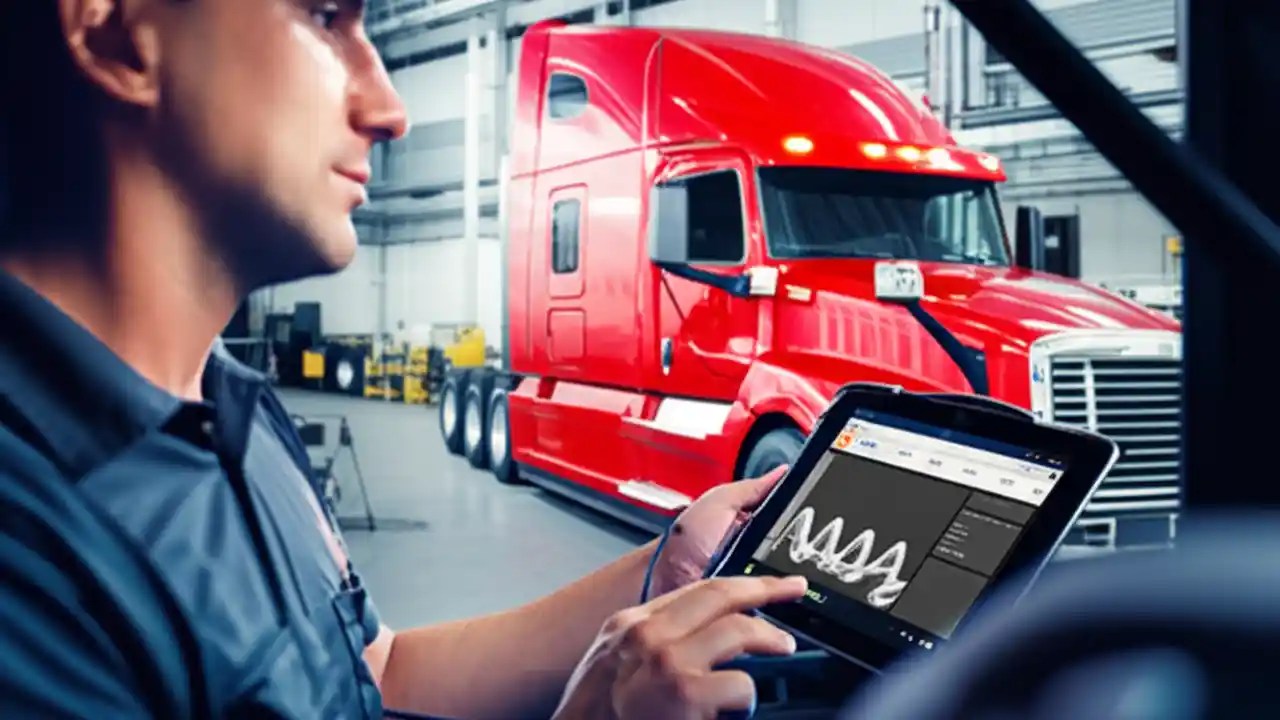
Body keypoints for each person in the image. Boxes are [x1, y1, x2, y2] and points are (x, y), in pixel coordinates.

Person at [0, 1, 808, 719]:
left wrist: (668, 570)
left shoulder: (233, 412)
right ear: (116, 32)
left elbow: (378, 673)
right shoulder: (25, 556)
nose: (389, 111)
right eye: (324, 18)